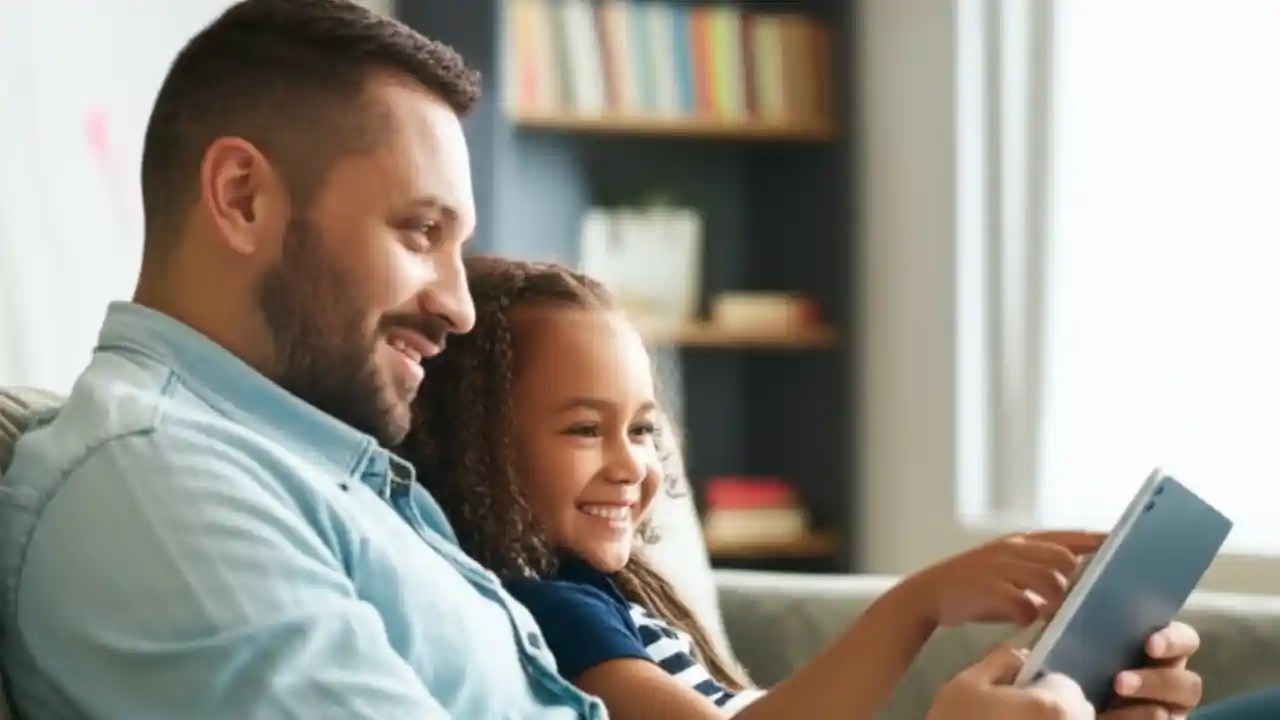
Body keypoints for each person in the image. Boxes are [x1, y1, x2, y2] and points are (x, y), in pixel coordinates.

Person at [0, 1, 612, 717]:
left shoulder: (306, 469)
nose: (460, 306)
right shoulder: (160, 479)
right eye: (420, 232)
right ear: (242, 197)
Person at [400, 255, 1206, 720]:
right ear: (476, 449)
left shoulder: (607, 595)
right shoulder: (544, 609)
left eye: (643, 428)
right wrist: (916, 603)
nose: (633, 465)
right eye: (585, 428)